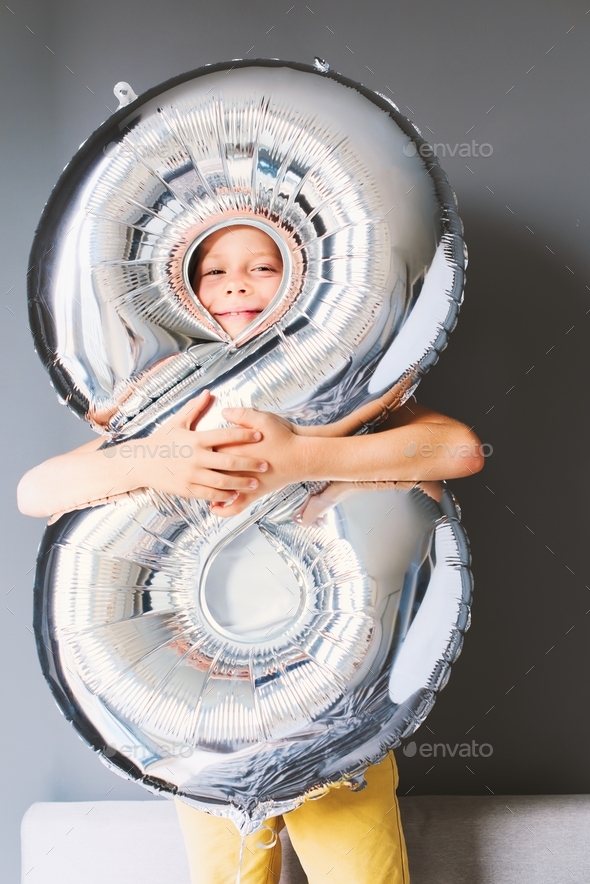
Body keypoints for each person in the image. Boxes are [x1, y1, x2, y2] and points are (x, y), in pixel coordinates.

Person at [18, 224, 484, 883]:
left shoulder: (352, 391)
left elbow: (457, 451)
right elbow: (35, 491)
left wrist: (301, 457)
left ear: (300, 280)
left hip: (335, 709)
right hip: (205, 711)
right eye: (215, 271)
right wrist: (162, 459)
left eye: (262, 266)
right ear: (186, 289)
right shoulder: (172, 407)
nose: (237, 282)